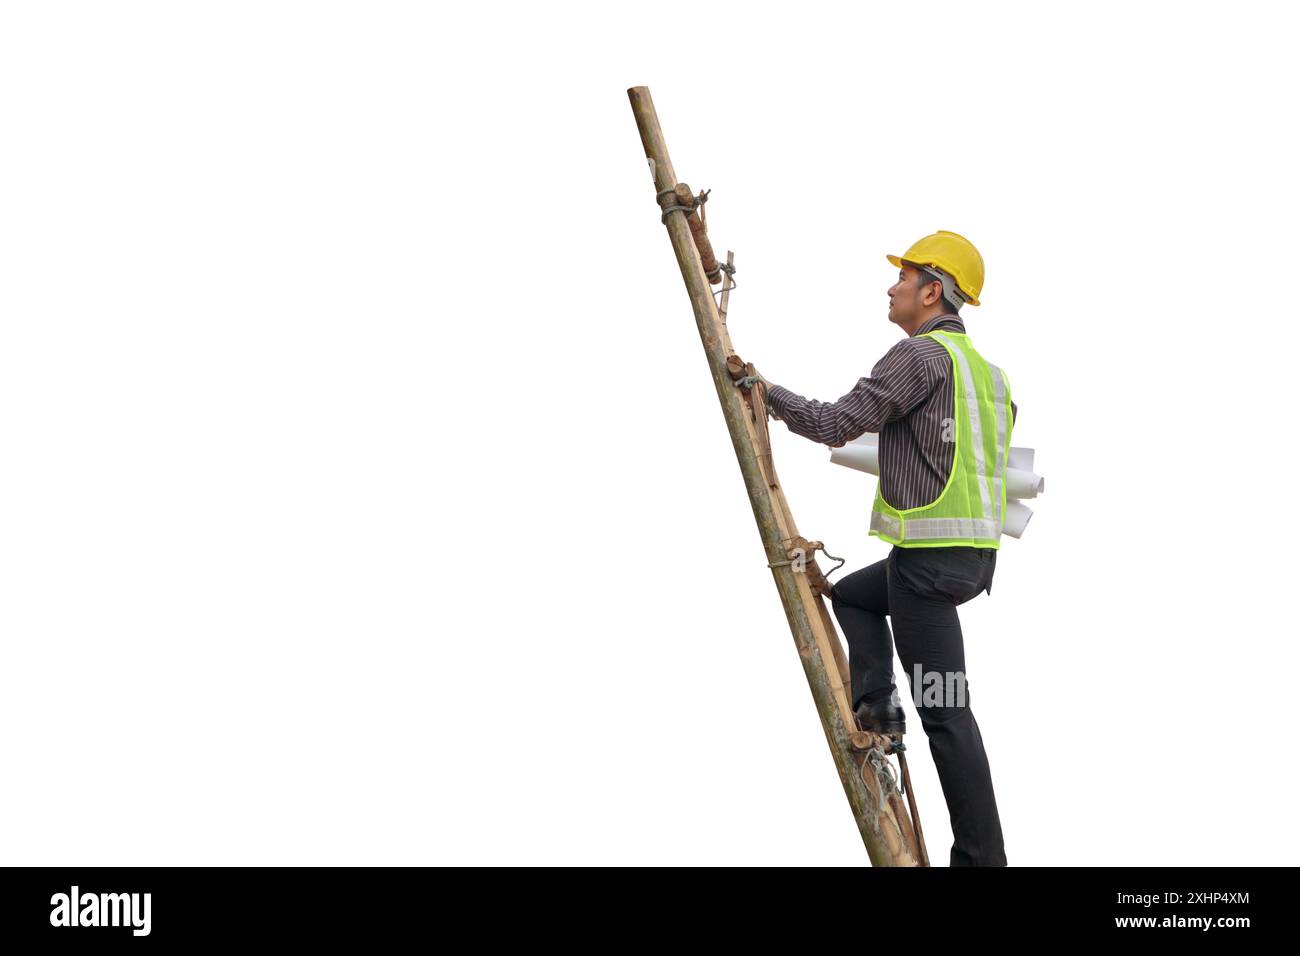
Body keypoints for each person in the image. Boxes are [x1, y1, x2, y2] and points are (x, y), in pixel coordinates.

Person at [748, 230, 1015, 867]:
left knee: (948, 715)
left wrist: (765, 392)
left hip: (924, 572)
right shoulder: (989, 375)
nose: (891, 287)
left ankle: (982, 862)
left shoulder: (918, 358)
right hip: (968, 563)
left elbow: (835, 423)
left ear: (932, 291)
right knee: (854, 598)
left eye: (904, 277)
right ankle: (878, 706)